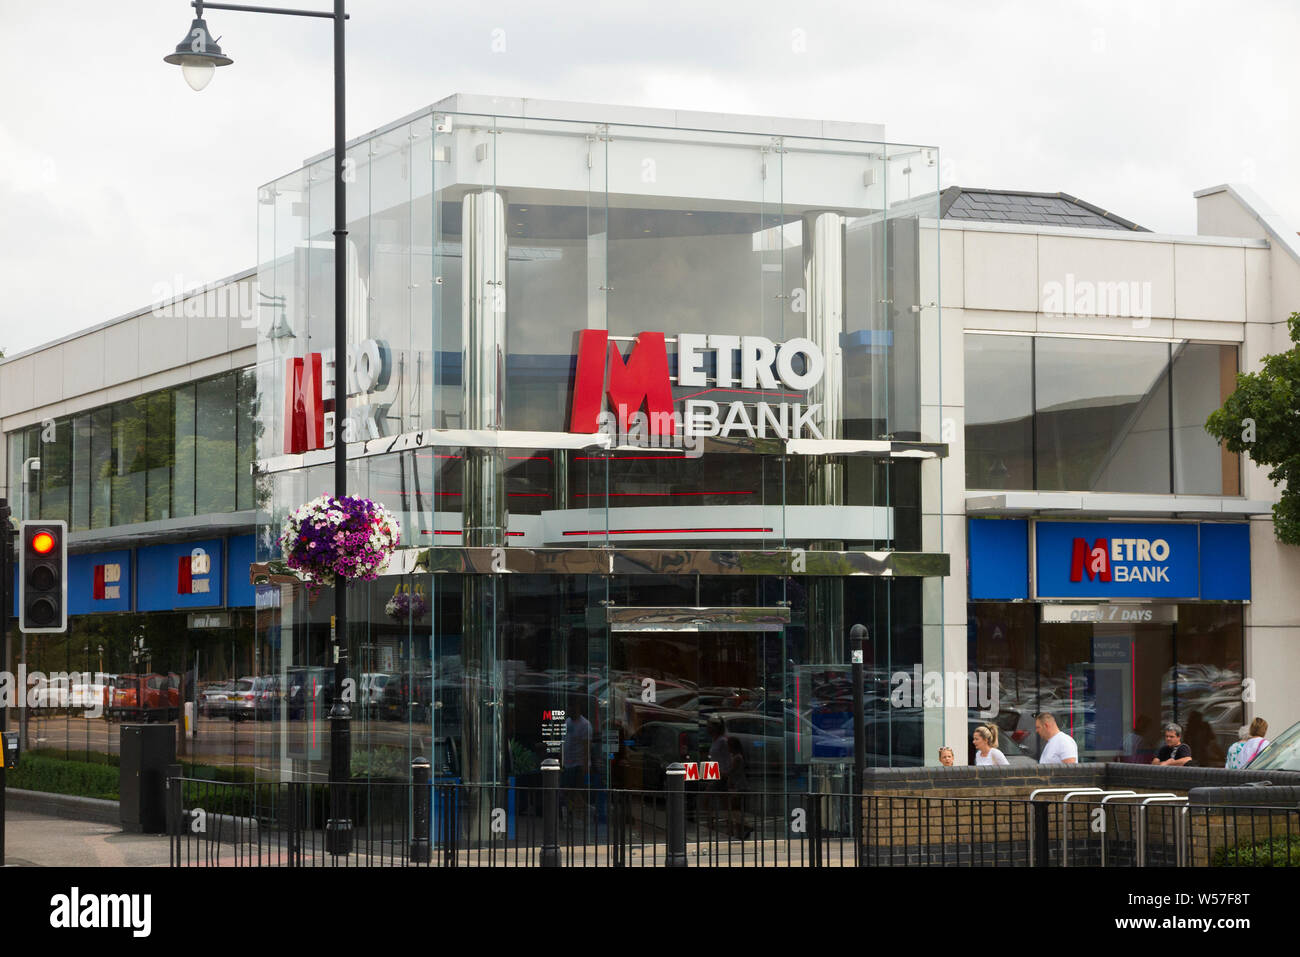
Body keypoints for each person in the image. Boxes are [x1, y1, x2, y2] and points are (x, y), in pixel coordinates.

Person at [725, 735, 752, 839]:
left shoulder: (737, 758)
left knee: (735, 809)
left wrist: (721, 773)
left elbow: (730, 772)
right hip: (737, 786)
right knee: (735, 809)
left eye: (728, 746)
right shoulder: (736, 757)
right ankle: (741, 831)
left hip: (739, 786)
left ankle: (746, 825)